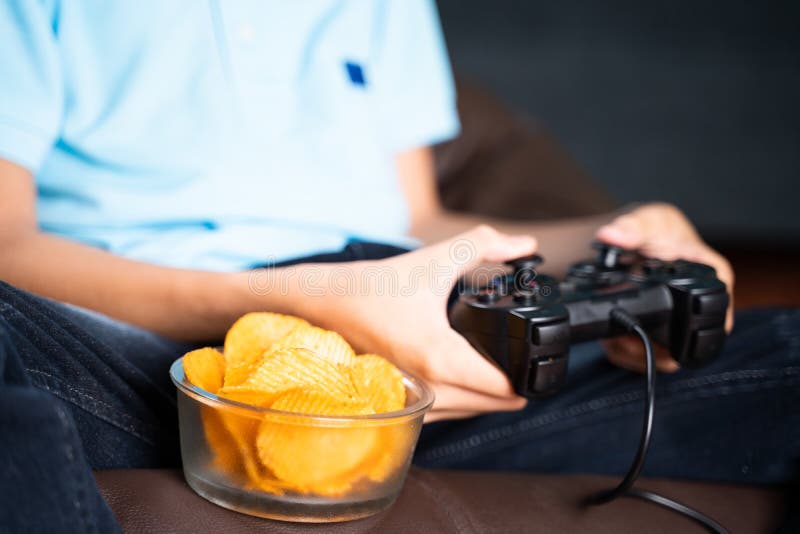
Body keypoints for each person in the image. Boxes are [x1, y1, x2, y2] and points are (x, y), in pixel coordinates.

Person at [0, 1, 796, 532]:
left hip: (422, 354)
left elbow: (418, 220)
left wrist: (614, 243)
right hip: (145, 359)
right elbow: (8, 246)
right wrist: (313, 298)